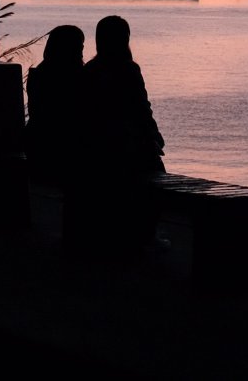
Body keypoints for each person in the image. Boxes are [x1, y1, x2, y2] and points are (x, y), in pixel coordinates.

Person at [70, 14, 165, 257]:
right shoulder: (129, 70)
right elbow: (142, 110)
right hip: (122, 148)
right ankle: (146, 234)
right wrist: (154, 137)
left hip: (92, 148)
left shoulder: (89, 71)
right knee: (155, 172)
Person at [23, 24, 85, 184]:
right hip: (62, 147)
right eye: (80, 45)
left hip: (37, 144)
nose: (82, 50)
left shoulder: (39, 74)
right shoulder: (75, 78)